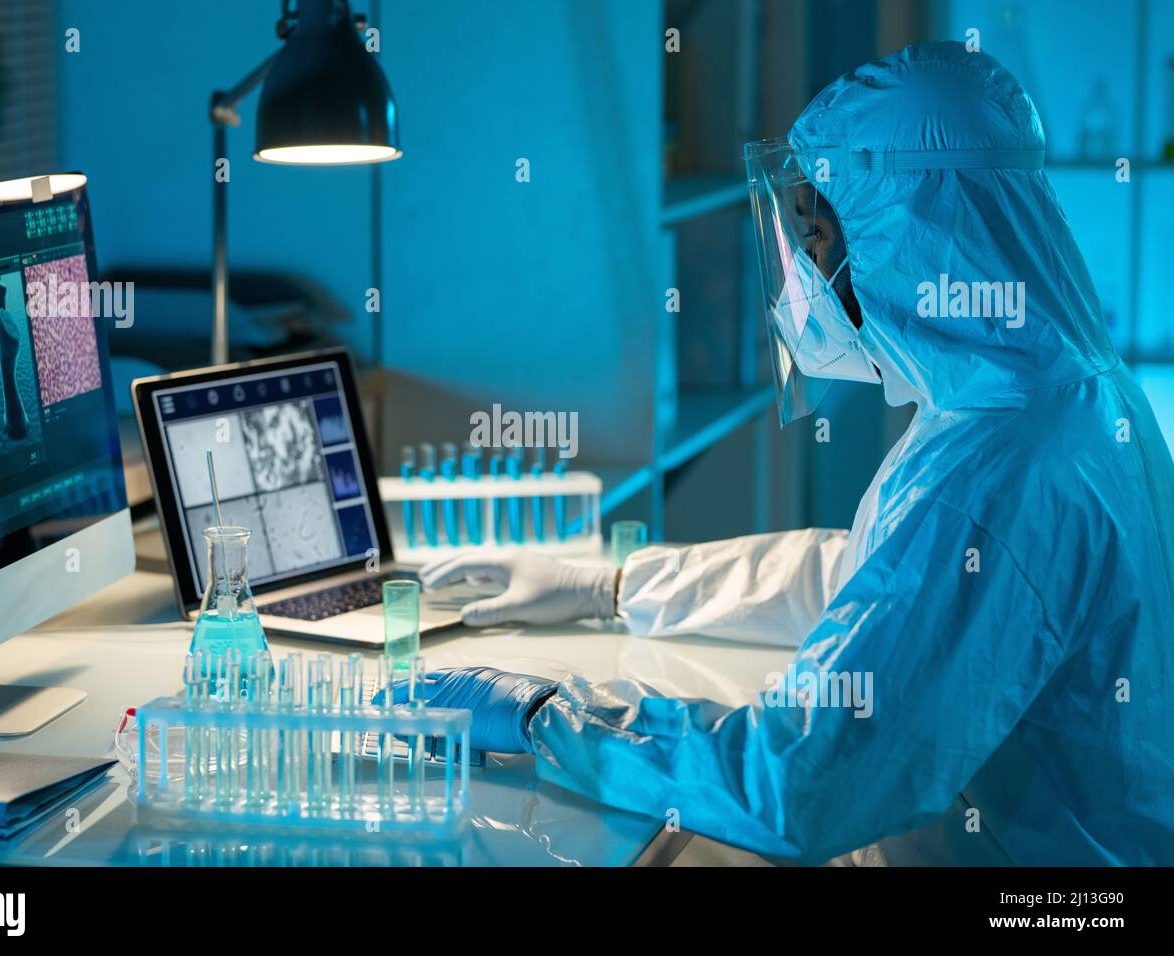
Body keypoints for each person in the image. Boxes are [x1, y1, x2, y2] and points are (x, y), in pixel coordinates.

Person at [394, 42, 1174, 865]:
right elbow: (869, 579)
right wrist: (613, 585)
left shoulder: (995, 473)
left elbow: (793, 784)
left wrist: (544, 713)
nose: (803, 270)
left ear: (897, 231)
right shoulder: (1066, 396)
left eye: (812, 230)